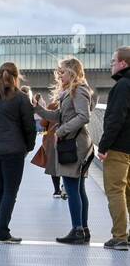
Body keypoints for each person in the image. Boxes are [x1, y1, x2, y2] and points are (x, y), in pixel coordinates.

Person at [36, 58, 97, 246]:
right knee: (78, 189)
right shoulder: (73, 90)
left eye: (62, 71)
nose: (59, 74)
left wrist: (61, 131)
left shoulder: (78, 90)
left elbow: (83, 116)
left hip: (74, 144)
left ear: (72, 71)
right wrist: (39, 109)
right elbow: (59, 116)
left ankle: (77, 230)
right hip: (77, 142)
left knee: (72, 188)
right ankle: (83, 229)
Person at [0, 62, 37, 244]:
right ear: (16, 77)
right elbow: (29, 127)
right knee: (10, 190)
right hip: (13, 150)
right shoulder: (20, 98)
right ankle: (2, 232)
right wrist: (28, 146)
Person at [96, 46, 130, 250]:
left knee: (115, 190)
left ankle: (119, 236)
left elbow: (115, 119)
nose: (111, 65)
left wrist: (103, 145)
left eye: (113, 61)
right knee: (128, 192)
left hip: (119, 148)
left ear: (123, 64)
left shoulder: (122, 86)